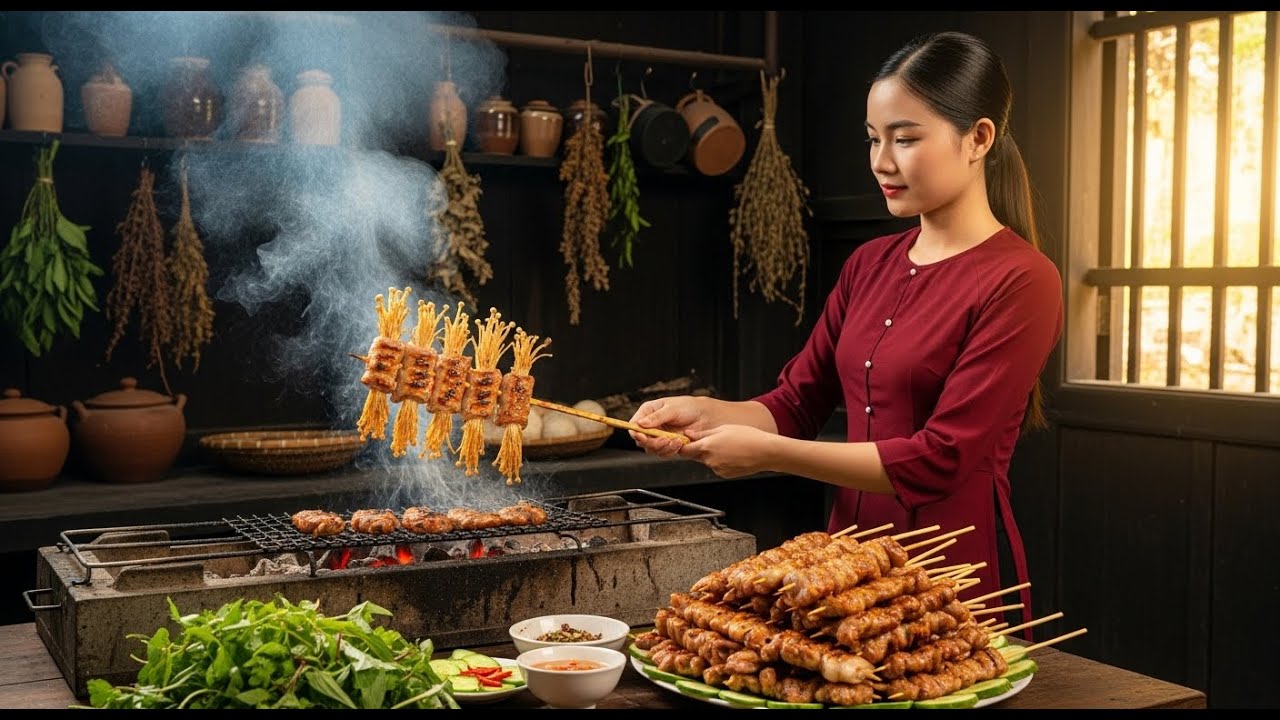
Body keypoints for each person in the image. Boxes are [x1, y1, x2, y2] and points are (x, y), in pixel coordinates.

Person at [629, 31, 1063, 631]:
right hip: (845, 568)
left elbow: (942, 458)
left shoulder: (1023, 279)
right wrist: (706, 412)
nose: (881, 161)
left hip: (955, 575)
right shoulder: (869, 264)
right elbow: (796, 404)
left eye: (905, 139)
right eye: (873, 138)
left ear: (978, 138)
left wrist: (770, 456)